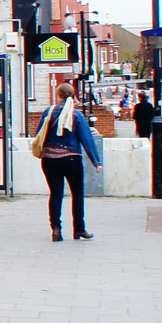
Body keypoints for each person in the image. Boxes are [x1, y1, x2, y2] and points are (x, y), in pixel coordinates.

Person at [36, 81, 102, 242]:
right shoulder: (76, 115)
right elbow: (87, 139)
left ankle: (56, 229)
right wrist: (96, 161)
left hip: (49, 159)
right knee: (77, 193)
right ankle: (79, 229)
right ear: (72, 95)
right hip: (71, 159)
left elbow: (39, 133)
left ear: (58, 95)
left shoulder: (49, 112)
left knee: (56, 194)